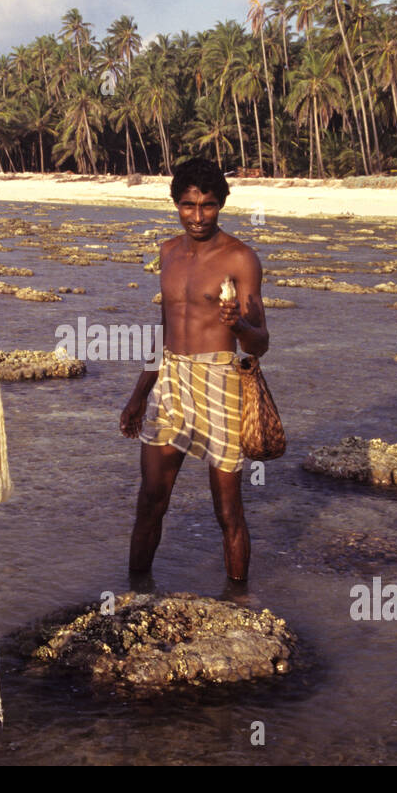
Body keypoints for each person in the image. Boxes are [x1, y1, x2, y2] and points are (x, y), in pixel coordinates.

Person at [119, 158, 269, 583]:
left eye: (207, 206)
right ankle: (135, 592)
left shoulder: (241, 259)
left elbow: (261, 343)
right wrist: (138, 394)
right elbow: (165, 330)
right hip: (170, 378)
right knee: (150, 499)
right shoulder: (168, 252)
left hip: (221, 378)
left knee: (227, 509)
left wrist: (238, 324)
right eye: (188, 205)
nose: (198, 216)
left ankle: (240, 603)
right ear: (176, 204)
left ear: (221, 204)